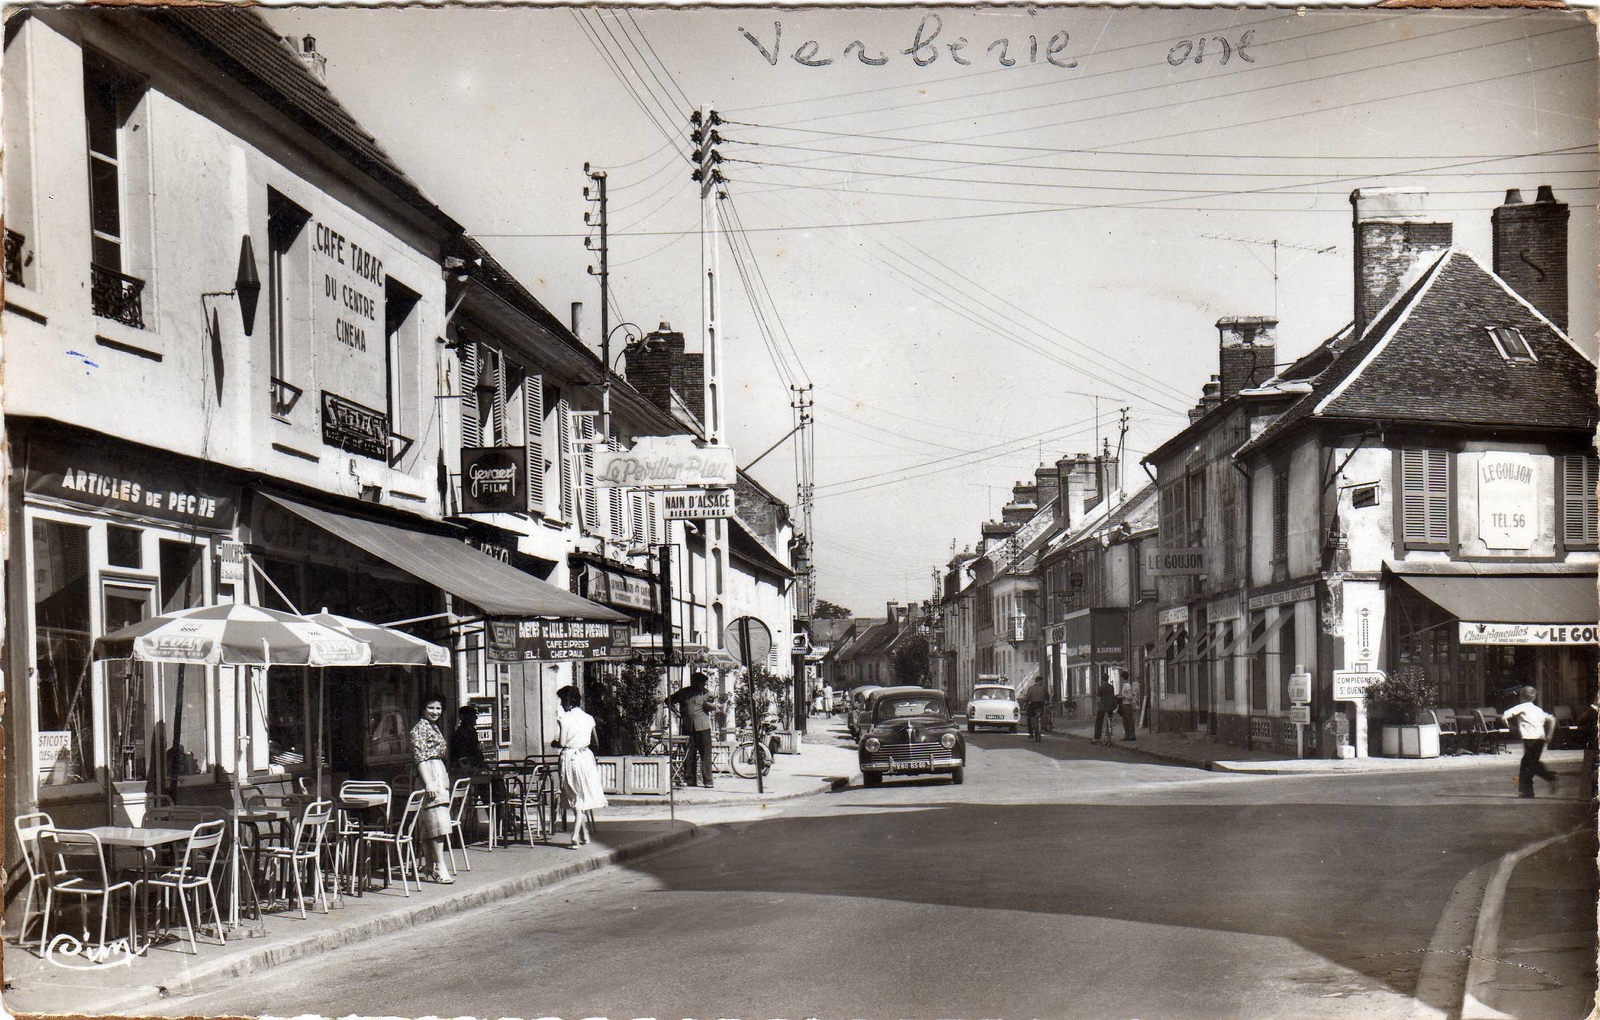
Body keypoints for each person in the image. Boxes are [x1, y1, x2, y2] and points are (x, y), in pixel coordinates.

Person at [409, 694, 456, 884]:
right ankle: (440, 866)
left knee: (432, 824)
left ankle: (430, 865)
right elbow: (419, 757)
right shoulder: (419, 729)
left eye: (438, 708)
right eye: (431, 708)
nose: (435, 712)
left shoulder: (433, 727)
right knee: (438, 823)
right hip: (429, 774)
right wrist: (428, 782)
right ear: (423, 709)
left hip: (437, 772)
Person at [552, 685, 606, 847]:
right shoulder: (589, 718)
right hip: (585, 758)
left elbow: (561, 742)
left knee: (575, 796)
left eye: (562, 700)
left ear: (568, 701)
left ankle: (575, 835)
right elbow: (595, 741)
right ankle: (585, 834)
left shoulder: (565, 719)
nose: (561, 704)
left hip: (569, 758)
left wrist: (556, 742)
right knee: (582, 796)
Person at [1502, 686, 1558, 799]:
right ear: (1534, 697)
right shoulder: (1538, 710)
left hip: (1529, 739)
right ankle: (1534, 787)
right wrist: (1550, 734)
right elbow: (1552, 719)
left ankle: (1529, 790)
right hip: (1540, 739)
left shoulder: (1521, 707)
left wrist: (1510, 727)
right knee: (1530, 762)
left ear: (1521, 696)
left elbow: (1504, 717)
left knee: (1528, 764)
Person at [667, 671, 717, 788]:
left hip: (703, 727)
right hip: (688, 727)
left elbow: (715, 706)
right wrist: (677, 713)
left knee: (706, 755)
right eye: (701, 683)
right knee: (689, 755)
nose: (703, 685)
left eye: (704, 683)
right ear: (694, 682)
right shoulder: (684, 692)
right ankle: (690, 780)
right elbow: (668, 700)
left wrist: (709, 706)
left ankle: (708, 781)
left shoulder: (706, 693)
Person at [1094, 671, 1118, 745]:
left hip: (1103, 707)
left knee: (1098, 721)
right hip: (1111, 706)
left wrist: (1097, 706)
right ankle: (1110, 726)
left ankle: (1096, 738)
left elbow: (1098, 699)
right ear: (1108, 679)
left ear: (1102, 679)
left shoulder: (1101, 688)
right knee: (1110, 718)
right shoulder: (1111, 687)